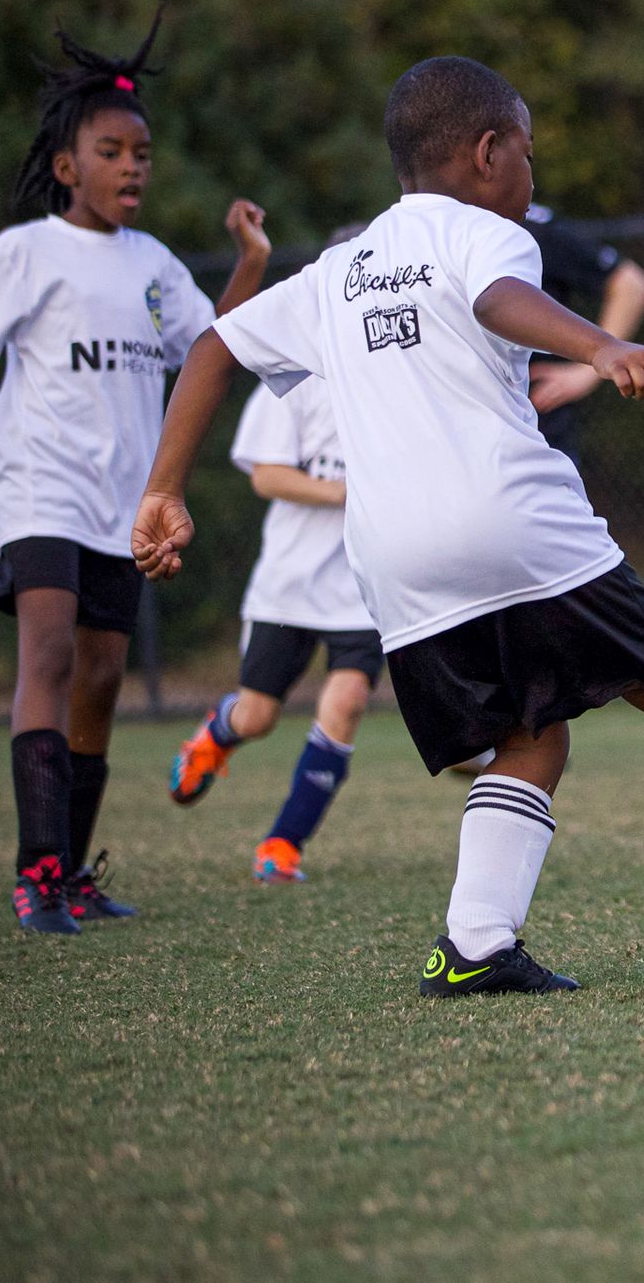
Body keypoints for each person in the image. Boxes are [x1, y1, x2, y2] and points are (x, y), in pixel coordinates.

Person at [133, 55, 644, 995]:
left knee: (532, 737)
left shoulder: (337, 270)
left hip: (395, 561)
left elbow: (216, 345)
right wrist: (600, 343)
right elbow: (498, 301)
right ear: (487, 152)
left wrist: (163, 490)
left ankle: (475, 947)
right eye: (529, 155)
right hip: (513, 518)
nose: (533, 179)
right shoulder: (483, 234)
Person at [2, 15, 269, 935]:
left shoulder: (153, 265)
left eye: (142, 153)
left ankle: (69, 872)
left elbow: (210, 348)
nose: (132, 167)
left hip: (124, 506)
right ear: (68, 167)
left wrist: (253, 264)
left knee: (104, 677)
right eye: (111, 151)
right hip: (40, 492)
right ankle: (36, 875)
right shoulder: (25, 254)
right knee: (48, 654)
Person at [169, 226, 383, 884]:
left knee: (344, 703)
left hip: (363, 585)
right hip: (291, 583)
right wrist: (343, 489)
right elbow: (265, 475)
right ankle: (217, 734)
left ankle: (282, 846)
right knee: (258, 714)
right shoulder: (293, 377)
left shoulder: (398, 370)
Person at [520, 202, 644, 468]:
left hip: (539, 435)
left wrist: (589, 369)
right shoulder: (426, 231)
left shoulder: (531, 229)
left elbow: (631, 285)